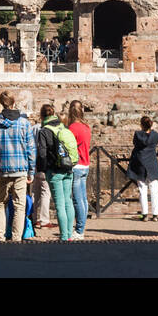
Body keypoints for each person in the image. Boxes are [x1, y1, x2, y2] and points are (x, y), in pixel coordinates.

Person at [0, 90, 36, 242]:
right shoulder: (24, 123)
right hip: (20, 169)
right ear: (14, 103)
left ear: (2, 104)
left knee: (0, 204)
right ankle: (16, 237)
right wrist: (31, 171)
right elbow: (31, 149)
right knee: (19, 206)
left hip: (2, 170)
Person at [37, 104, 79, 241]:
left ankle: (63, 236)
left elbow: (42, 154)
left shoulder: (44, 131)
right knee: (68, 201)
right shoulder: (63, 127)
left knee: (60, 204)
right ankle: (69, 235)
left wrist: (41, 169)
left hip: (54, 170)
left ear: (42, 116)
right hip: (68, 168)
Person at [126, 115, 158, 221]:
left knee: (142, 190)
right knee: (154, 190)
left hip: (140, 163)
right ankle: (155, 214)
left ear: (141, 125)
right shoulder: (155, 135)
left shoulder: (137, 134)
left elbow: (135, 144)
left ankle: (144, 213)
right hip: (152, 163)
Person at [66, 100, 91, 239]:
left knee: (77, 199)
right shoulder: (86, 127)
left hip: (76, 166)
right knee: (83, 199)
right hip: (85, 164)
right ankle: (82, 227)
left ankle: (80, 230)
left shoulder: (72, 128)